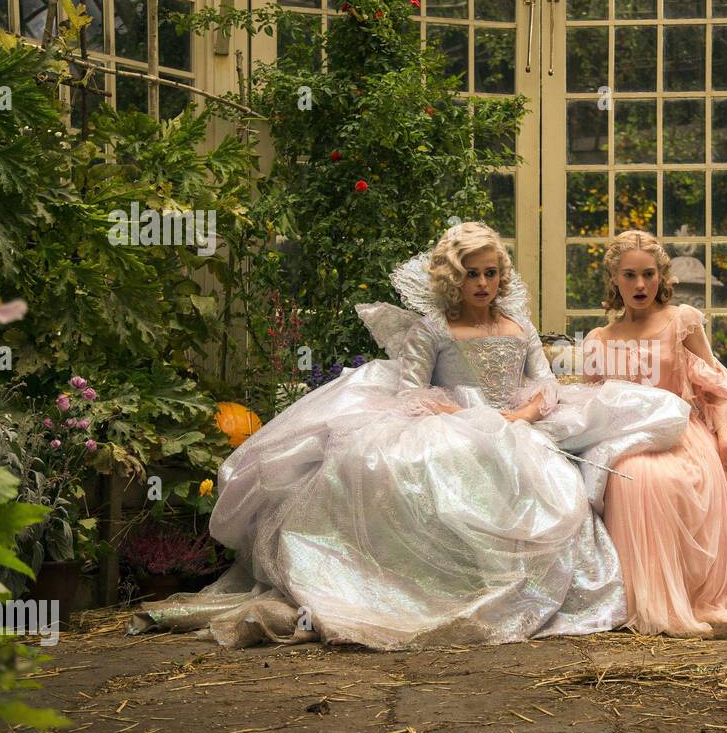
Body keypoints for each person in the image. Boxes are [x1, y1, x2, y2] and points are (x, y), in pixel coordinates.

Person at [131, 222, 688, 650]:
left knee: (548, 482)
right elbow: (411, 391)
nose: (484, 284)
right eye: (473, 274)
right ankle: (415, 586)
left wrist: (520, 416)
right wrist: (454, 413)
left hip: (514, 422)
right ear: (453, 277)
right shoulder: (435, 329)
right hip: (450, 420)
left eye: (492, 273)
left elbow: (544, 384)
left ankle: (512, 584)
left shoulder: (517, 328)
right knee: (401, 470)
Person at [582, 230, 727, 637]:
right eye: (629, 275)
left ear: (662, 277)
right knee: (633, 474)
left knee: (655, 476)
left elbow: (715, 388)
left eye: (649, 274)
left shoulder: (683, 321)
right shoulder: (598, 340)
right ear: (614, 278)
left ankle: (691, 597)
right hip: (625, 440)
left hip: (682, 434)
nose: (640, 285)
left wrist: (726, 440)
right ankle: (649, 602)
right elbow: (589, 407)